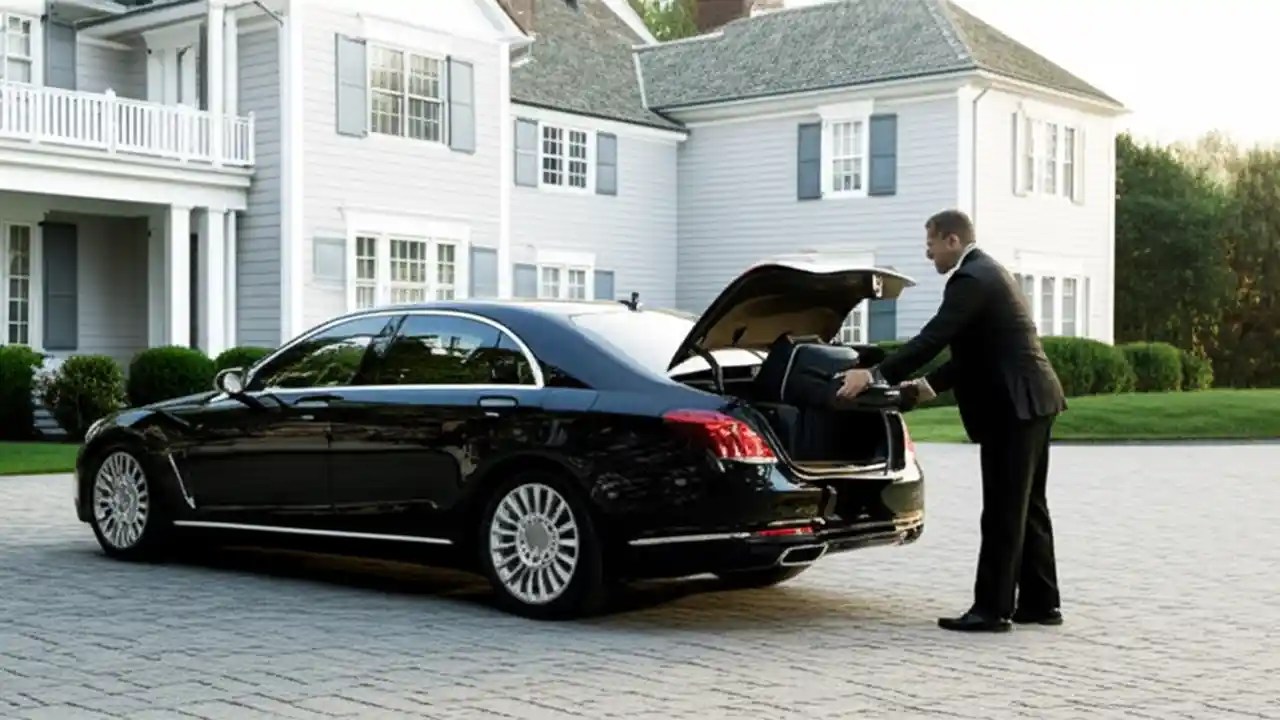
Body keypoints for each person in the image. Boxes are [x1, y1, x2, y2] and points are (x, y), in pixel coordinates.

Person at [837, 209, 1067, 633]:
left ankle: (992, 611)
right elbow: (970, 358)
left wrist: (872, 375)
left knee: (1003, 509)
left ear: (952, 241)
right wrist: (915, 392)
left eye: (930, 245)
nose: (928, 255)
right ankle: (1040, 602)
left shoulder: (970, 280)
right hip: (1035, 400)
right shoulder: (990, 274)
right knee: (1029, 505)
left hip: (1013, 407)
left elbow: (932, 339)